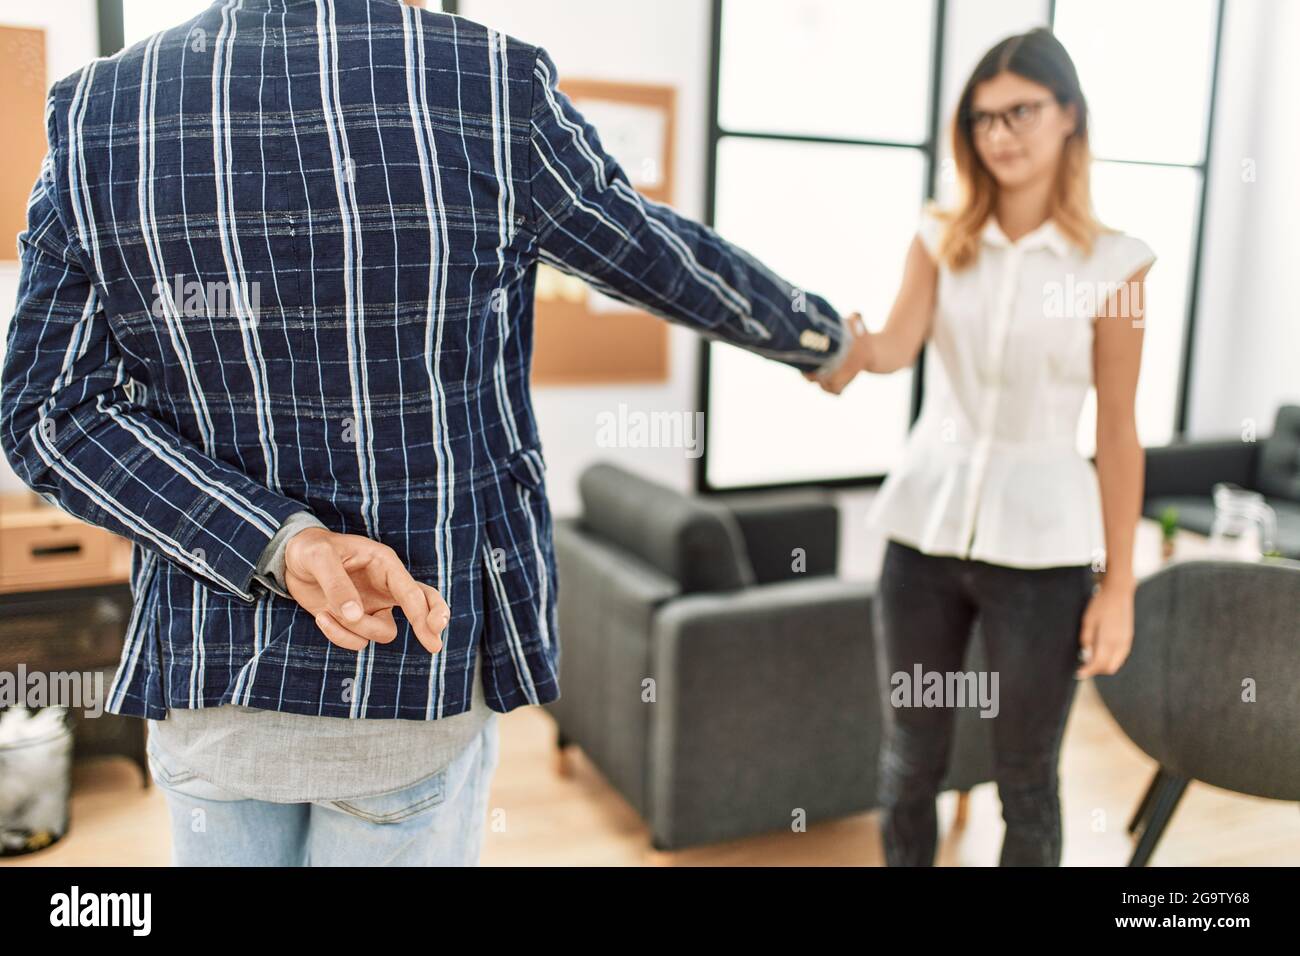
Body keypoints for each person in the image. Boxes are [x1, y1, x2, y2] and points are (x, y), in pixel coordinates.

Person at [0, 0, 872, 866]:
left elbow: (47, 414)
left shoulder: (100, 108)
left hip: (210, 679)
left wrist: (281, 542)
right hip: (414, 667)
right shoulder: (487, 83)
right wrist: (818, 336)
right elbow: (652, 255)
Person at [826, 27, 1155, 866]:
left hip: (1043, 554)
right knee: (909, 764)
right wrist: (845, 352)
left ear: (1070, 117)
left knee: (1026, 780)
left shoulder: (1116, 265)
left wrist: (1119, 585)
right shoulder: (941, 236)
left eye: (1020, 112)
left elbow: (1117, 428)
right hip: (923, 537)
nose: (1000, 134)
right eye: (982, 119)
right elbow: (895, 346)